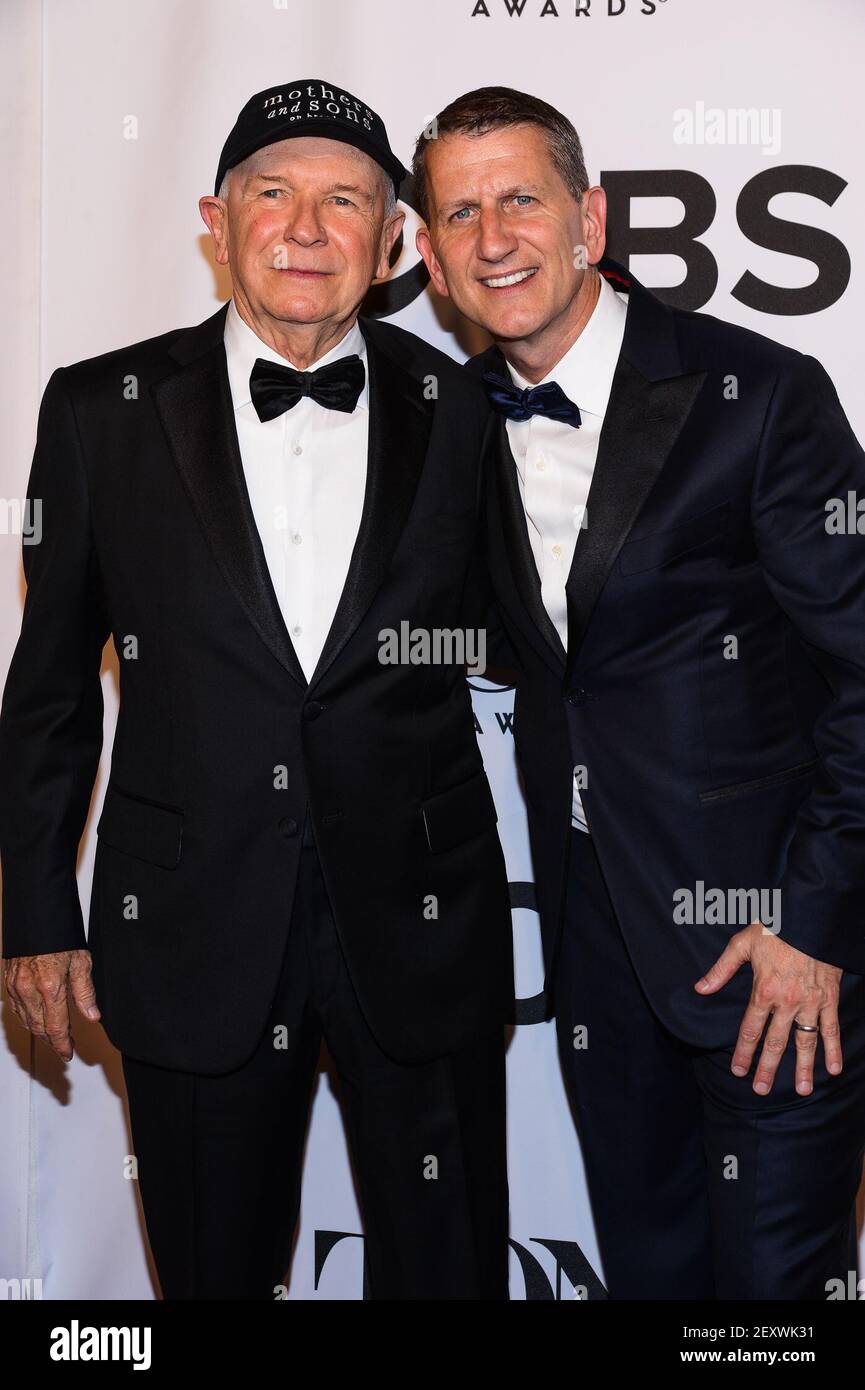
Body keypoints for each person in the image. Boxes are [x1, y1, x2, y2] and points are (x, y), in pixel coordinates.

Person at [0, 79, 514, 1301]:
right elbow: (52, 682)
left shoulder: (458, 409)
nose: (305, 227)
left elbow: (525, 651)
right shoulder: (97, 409)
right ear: (213, 221)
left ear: (393, 243)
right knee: (212, 1276)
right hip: (190, 928)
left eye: (346, 201)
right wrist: (32, 909)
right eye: (271, 194)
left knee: (448, 1275)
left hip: (421, 923)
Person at [414, 85, 865, 1300]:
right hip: (591, 951)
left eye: (519, 198)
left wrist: (815, 924)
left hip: (771, 954)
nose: (493, 235)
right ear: (432, 260)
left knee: (774, 1294)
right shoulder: (445, 425)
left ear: (590, 221)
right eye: (459, 213)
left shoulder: (757, 395)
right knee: (652, 1277)